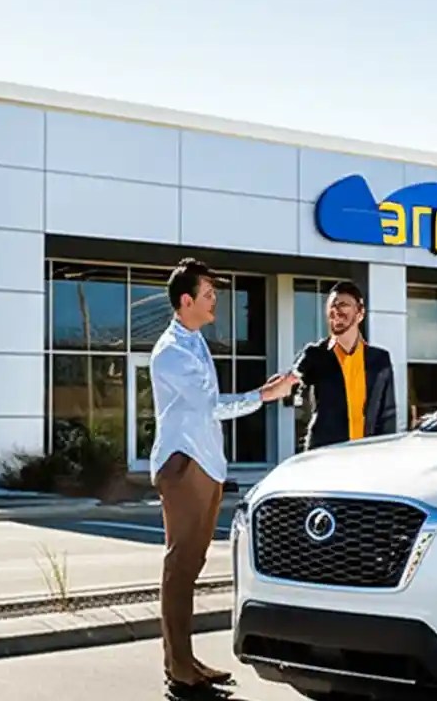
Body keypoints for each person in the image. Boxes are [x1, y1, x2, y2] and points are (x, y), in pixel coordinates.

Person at [149, 258, 297, 694]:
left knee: (190, 565)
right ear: (186, 300)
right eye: (209, 293)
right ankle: (179, 669)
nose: (216, 299)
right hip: (185, 466)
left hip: (205, 464)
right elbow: (209, 407)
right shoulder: (172, 351)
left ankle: (183, 659)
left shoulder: (194, 342)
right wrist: (266, 395)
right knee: (180, 566)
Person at [288, 280, 397, 451]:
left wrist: (386, 453)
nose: (336, 310)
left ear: (360, 313)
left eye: (343, 305)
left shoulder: (379, 359)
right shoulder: (315, 354)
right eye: (332, 306)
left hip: (366, 454)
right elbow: (292, 384)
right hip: (325, 454)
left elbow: (388, 415)